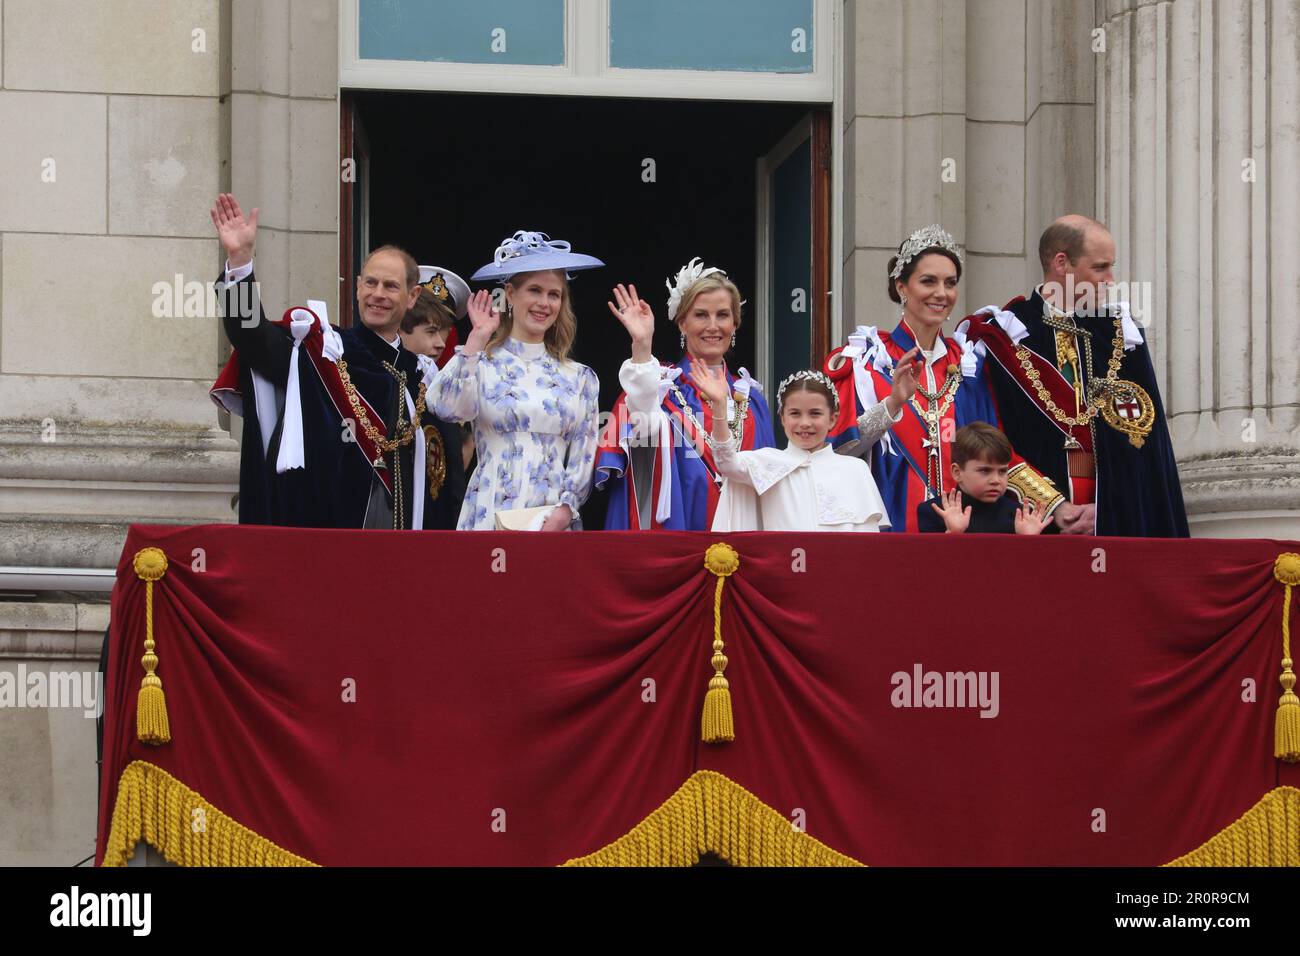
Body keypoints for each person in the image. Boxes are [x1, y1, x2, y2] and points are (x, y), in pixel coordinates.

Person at [209, 193, 466, 530]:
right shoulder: (321, 352)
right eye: (370, 283)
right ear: (357, 288)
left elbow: (445, 489)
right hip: (325, 546)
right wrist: (240, 261)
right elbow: (253, 339)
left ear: (412, 296)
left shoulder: (423, 379)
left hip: (404, 555)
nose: (378, 294)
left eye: (390, 286)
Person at [825, 224, 1066, 532]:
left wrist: (1055, 503)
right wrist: (892, 404)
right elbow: (836, 450)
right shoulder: (866, 361)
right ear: (901, 287)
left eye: (950, 283)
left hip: (966, 533)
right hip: (890, 526)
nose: (941, 293)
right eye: (928, 281)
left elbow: (997, 452)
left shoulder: (969, 365)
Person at [959, 215, 1189, 537]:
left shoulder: (1120, 332)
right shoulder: (1003, 336)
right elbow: (986, 435)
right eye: (1100, 267)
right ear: (1062, 263)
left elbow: (1147, 445)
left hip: (1116, 522)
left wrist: (1110, 507)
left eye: (1112, 266)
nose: (1111, 279)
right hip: (1034, 523)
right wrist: (1054, 505)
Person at [428, 230, 603, 531]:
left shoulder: (580, 377)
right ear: (510, 294)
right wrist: (477, 339)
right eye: (534, 290)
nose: (544, 303)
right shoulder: (481, 363)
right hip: (488, 511)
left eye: (554, 294)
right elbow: (444, 406)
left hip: (554, 520)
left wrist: (564, 511)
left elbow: (584, 455)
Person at [596, 260, 775, 530]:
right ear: (682, 323)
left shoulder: (753, 401)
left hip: (744, 537)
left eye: (723, 315)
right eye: (701, 315)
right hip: (678, 535)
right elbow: (642, 419)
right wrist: (642, 346)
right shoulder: (660, 388)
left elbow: (768, 481)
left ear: (735, 324)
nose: (713, 326)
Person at [696, 367, 889, 532]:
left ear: (832, 418)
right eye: (795, 414)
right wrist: (720, 407)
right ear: (782, 418)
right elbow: (726, 463)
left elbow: (868, 542)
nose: (805, 423)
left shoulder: (856, 469)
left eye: (815, 414)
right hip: (782, 572)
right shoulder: (764, 462)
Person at [917, 423, 1054, 534]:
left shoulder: (1020, 516)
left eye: (1002, 471)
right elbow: (931, 565)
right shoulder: (934, 511)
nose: (996, 480)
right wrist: (953, 534)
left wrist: (1028, 542)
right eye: (985, 471)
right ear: (957, 472)